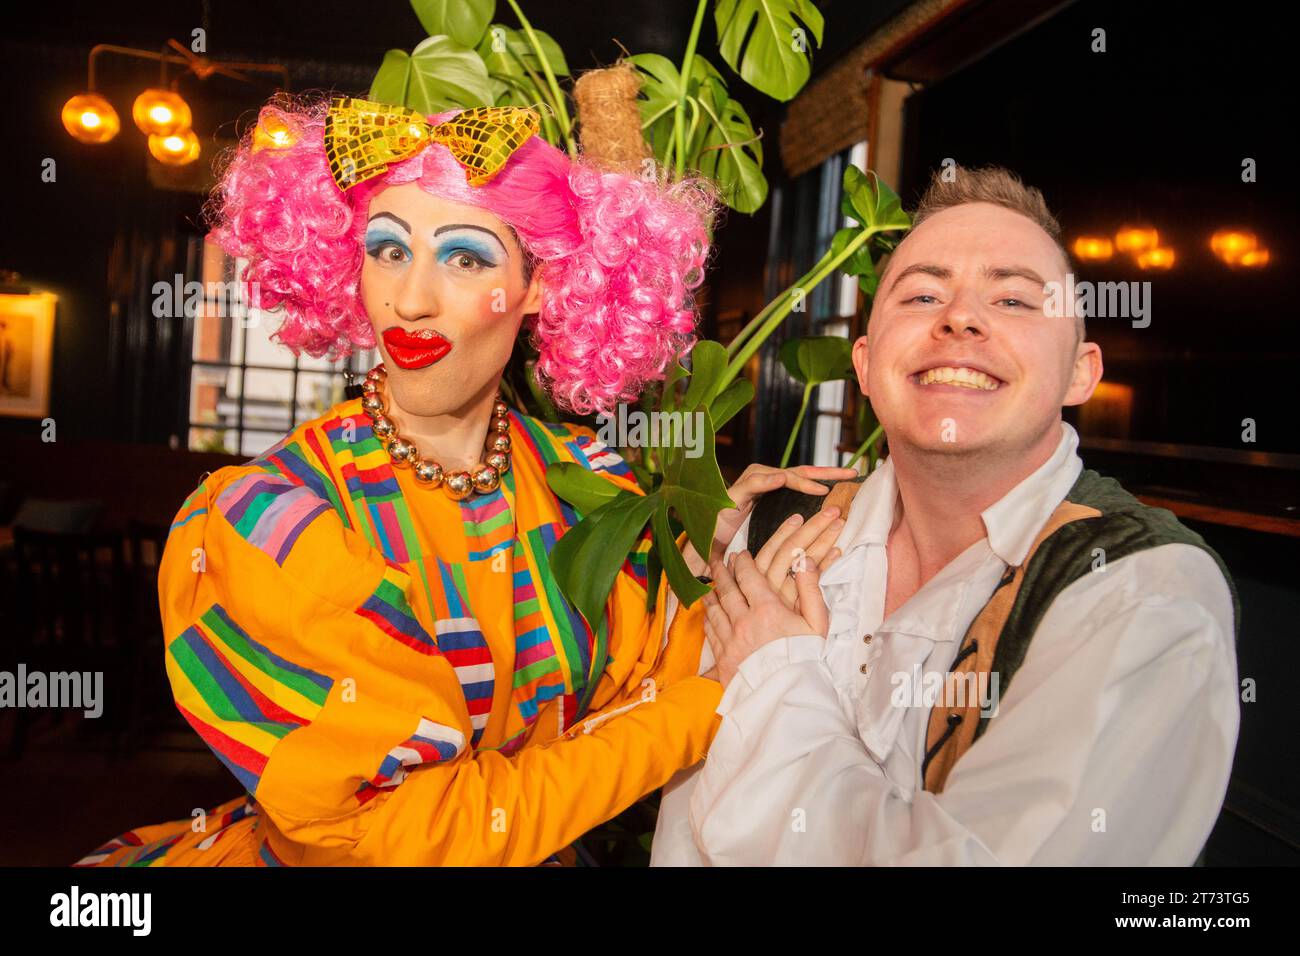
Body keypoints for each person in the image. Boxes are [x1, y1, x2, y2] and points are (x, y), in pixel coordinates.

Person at [77, 95, 851, 867]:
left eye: (464, 257)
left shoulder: (592, 481)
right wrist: (706, 704)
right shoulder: (271, 521)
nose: (409, 300)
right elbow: (414, 836)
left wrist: (720, 562)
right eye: (386, 250)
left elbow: (672, 670)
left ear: (541, 284)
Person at [652, 166, 1240, 866]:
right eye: (924, 293)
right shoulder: (770, 529)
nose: (959, 317)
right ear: (866, 366)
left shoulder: (1139, 593)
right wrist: (677, 569)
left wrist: (777, 674)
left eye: (1016, 300)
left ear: (1081, 372)